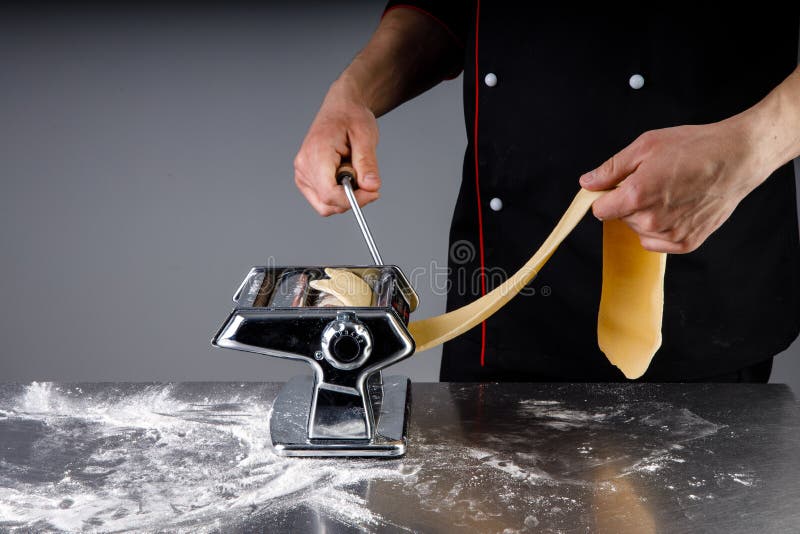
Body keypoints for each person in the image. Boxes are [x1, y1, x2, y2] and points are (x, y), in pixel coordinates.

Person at [294, 3, 800, 383]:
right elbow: (441, 7)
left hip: (698, 299)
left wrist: (746, 150)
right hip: (499, 306)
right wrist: (354, 93)